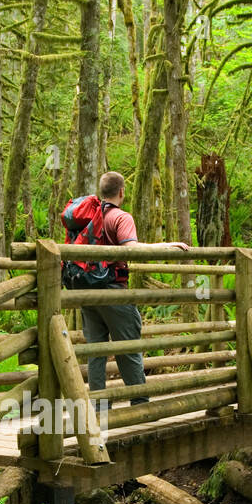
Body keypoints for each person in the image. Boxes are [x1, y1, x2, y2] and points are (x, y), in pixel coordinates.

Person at [79, 171, 188, 404]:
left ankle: (98, 407)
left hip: (86, 291)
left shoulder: (90, 218)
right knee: (129, 346)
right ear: (121, 192)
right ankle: (139, 404)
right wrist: (167, 246)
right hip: (113, 290)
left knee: (95, 351)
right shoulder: (121, 217)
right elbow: (133, 249)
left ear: (102, 192)